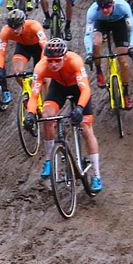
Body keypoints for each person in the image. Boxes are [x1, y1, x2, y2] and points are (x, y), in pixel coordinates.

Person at [22, 38, 102, 191]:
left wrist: (79, 108)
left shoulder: (75, 61)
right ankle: (48, 160)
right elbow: (34, 96)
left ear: (64, 57)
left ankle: (96, 174)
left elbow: (85, 90)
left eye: (57, 61)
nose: (53, 64)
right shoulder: (41, 67)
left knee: (86, 128)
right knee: (47, 116)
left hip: (78, 90)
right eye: (50, 61)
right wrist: (30, 113)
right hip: (58, 88)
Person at [84, 0, 133, 109]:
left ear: (113, 3)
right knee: (96, 43)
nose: (104, 10)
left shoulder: (123, 6)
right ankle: (99, 70)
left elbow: (132, 28)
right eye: (101, 7)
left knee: (124, 62)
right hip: (101, 24)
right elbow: (88, 34)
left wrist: (132, 46)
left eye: (107, 6)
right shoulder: (93, 11)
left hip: (119, 24)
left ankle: (125, 92)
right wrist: (89, 53)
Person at [0, 7, 48, 101]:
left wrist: (43, 61)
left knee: (44, 78)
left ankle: (47, 100)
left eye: (17, 26)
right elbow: (1, 53)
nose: (15, 30)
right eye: (12, 27)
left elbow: (45, 45)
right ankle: (29, 93)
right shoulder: (5, 31)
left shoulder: (34, 26)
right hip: (23, 48)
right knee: (17, 73)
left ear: (23, 23)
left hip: (39, 49)